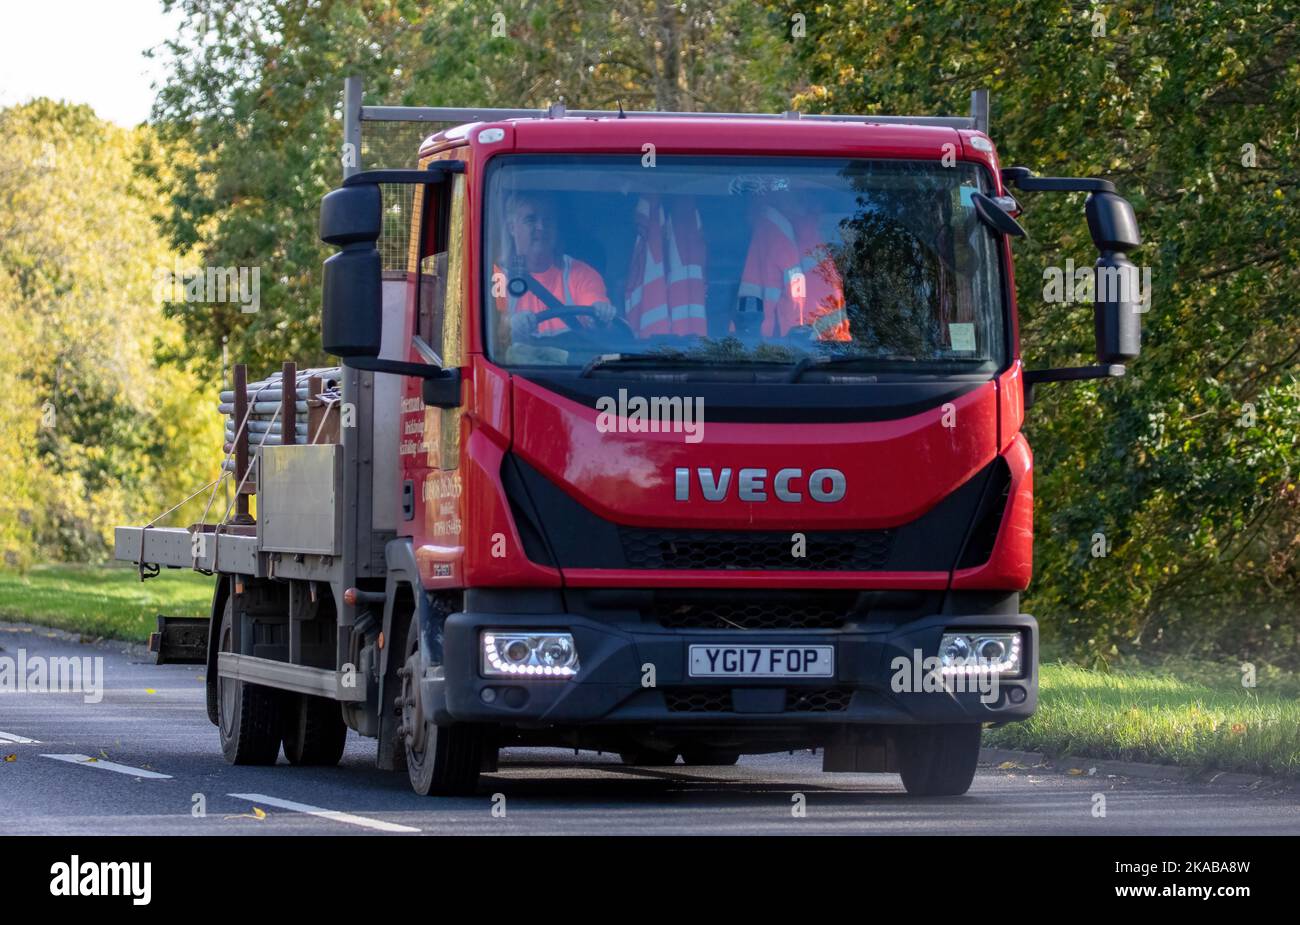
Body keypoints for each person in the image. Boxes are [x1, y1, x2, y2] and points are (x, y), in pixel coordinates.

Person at [496, 192, 616, 340]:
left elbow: (597, 313)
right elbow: (492, 329)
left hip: (573, 363)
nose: (541, 227)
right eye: (530, 219)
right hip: (513, 363)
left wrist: (601, 316)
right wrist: (509, 326)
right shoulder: (498, 277)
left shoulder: (581, 273)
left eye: (548, 220)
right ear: (512, 228)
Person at [736, 193, 850, 342]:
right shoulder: (809, 234)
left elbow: (791, 304)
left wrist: (755, 348)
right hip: (831, 347)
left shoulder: (770, 230)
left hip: (803, 350)